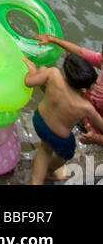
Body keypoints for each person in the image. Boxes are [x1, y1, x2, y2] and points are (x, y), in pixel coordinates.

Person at [25, 55, 103, 184]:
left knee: (45, 149)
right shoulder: (86, 107)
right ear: (83, 90)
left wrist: (33, 71)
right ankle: (49, 172)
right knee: (65, 155)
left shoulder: (53, 74)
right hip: (59, 139)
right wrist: (93, 136)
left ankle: (35, 181)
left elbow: (28, 82)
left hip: (39, 121)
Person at [34, 32, 103, 132]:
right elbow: (80, 52)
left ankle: (58, 107)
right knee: (71, 59)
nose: (101, 59)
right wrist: (52, 39)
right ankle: (56, 104)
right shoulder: (101, 60)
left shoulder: (89, 109)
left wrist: (96, 138)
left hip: (91, 123)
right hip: (84, 102)